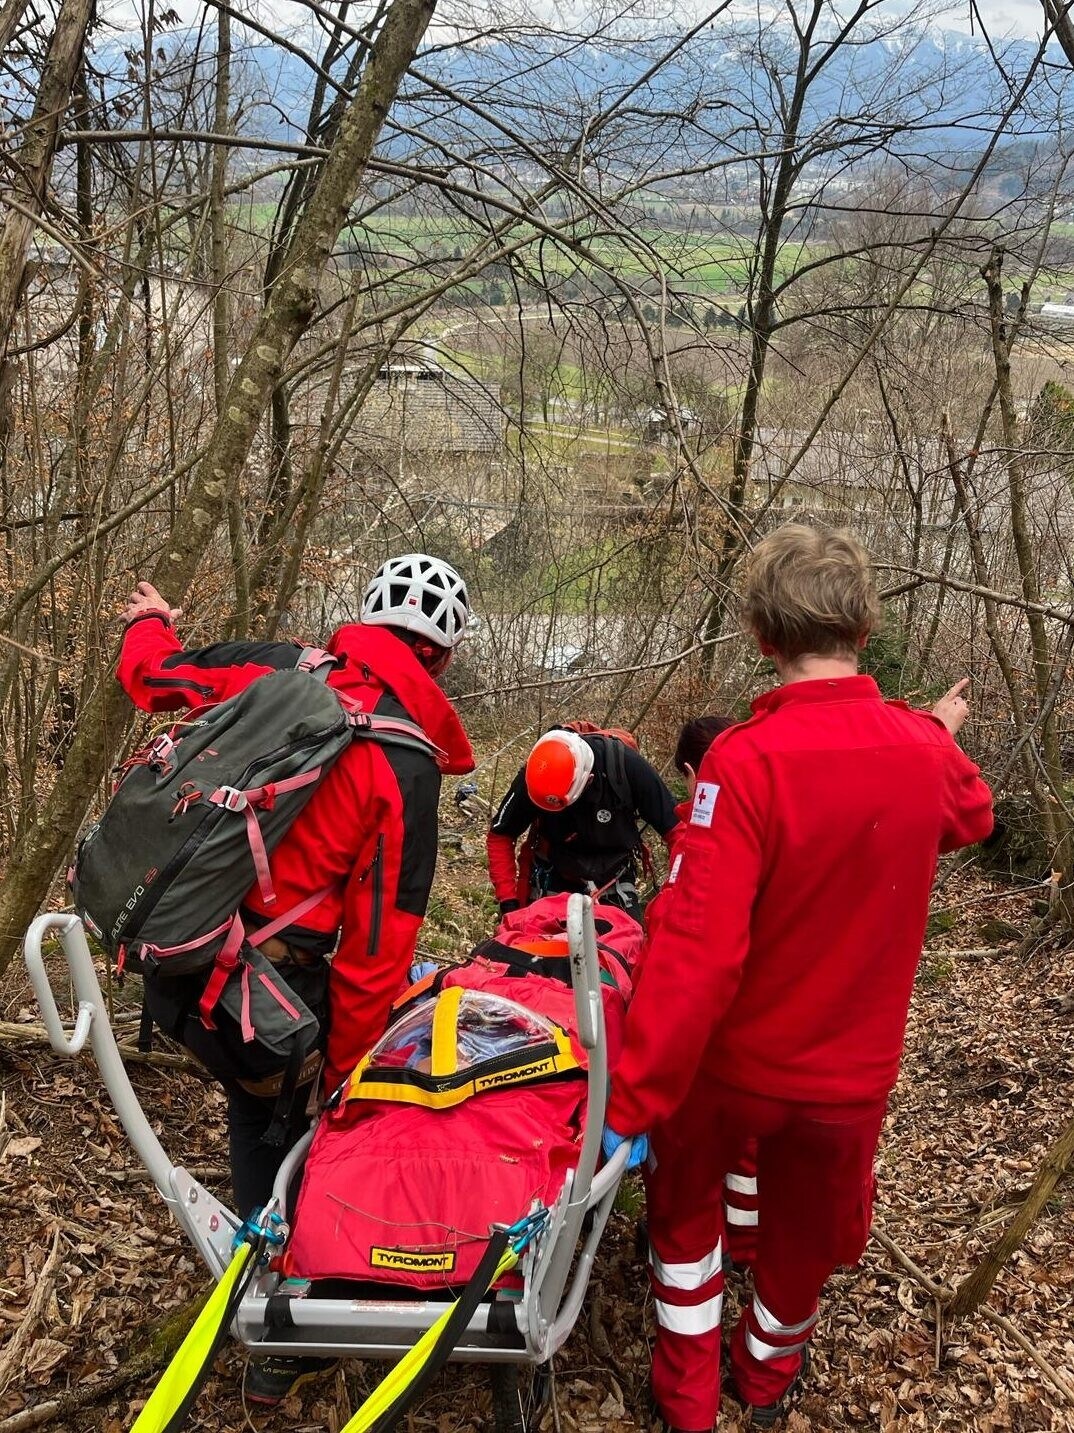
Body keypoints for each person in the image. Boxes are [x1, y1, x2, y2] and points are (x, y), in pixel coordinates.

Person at [601, 524, 993, 1433]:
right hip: (846, 1083)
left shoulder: (743, 760)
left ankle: (687, 1398)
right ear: (864, 629)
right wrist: (933, 732)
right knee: (802, 1244)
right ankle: (766, 1379)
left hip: (730, 1070)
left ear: (762, 636)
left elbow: (697, 948)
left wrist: (636, 1095)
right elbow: (969, 813)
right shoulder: (918, 749)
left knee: (686, 1229)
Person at [117, 553, 475, 1405]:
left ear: (364, 618)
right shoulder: (406, 763)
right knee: (288, 1124)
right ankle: (280, 1335)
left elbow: (156, 677)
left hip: (179, 958)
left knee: (255, 1110)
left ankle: (264, 1293)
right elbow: (378, 947)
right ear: (442, 658)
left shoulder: (283, 670)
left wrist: (149, 620)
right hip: (270, 997)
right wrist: (344, 1073)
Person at [486, 725, 678, 922]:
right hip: (554, 869)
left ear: (589, 780)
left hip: (613, 874)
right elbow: (500, 835)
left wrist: (674, 894)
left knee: (627, 938)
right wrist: (508, 902)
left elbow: (678, 832)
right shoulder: (536, 774)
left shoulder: (628, 767)